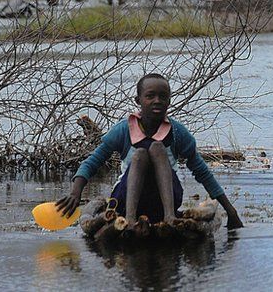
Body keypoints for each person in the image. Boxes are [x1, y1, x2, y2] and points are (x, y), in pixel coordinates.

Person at [56, 73, 244, 229]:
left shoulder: (177, 133)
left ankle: (170, 217)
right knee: (140, 154)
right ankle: (129, 218)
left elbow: (202, 172)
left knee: (156, 148)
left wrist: (231, 211)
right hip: (126, 198)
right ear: (138, 100)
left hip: (164, 202)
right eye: (150, 96)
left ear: (169, 101)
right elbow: (92, 162)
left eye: (163, 97)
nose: (157, 101)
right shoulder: (123, 130)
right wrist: (75, 192)